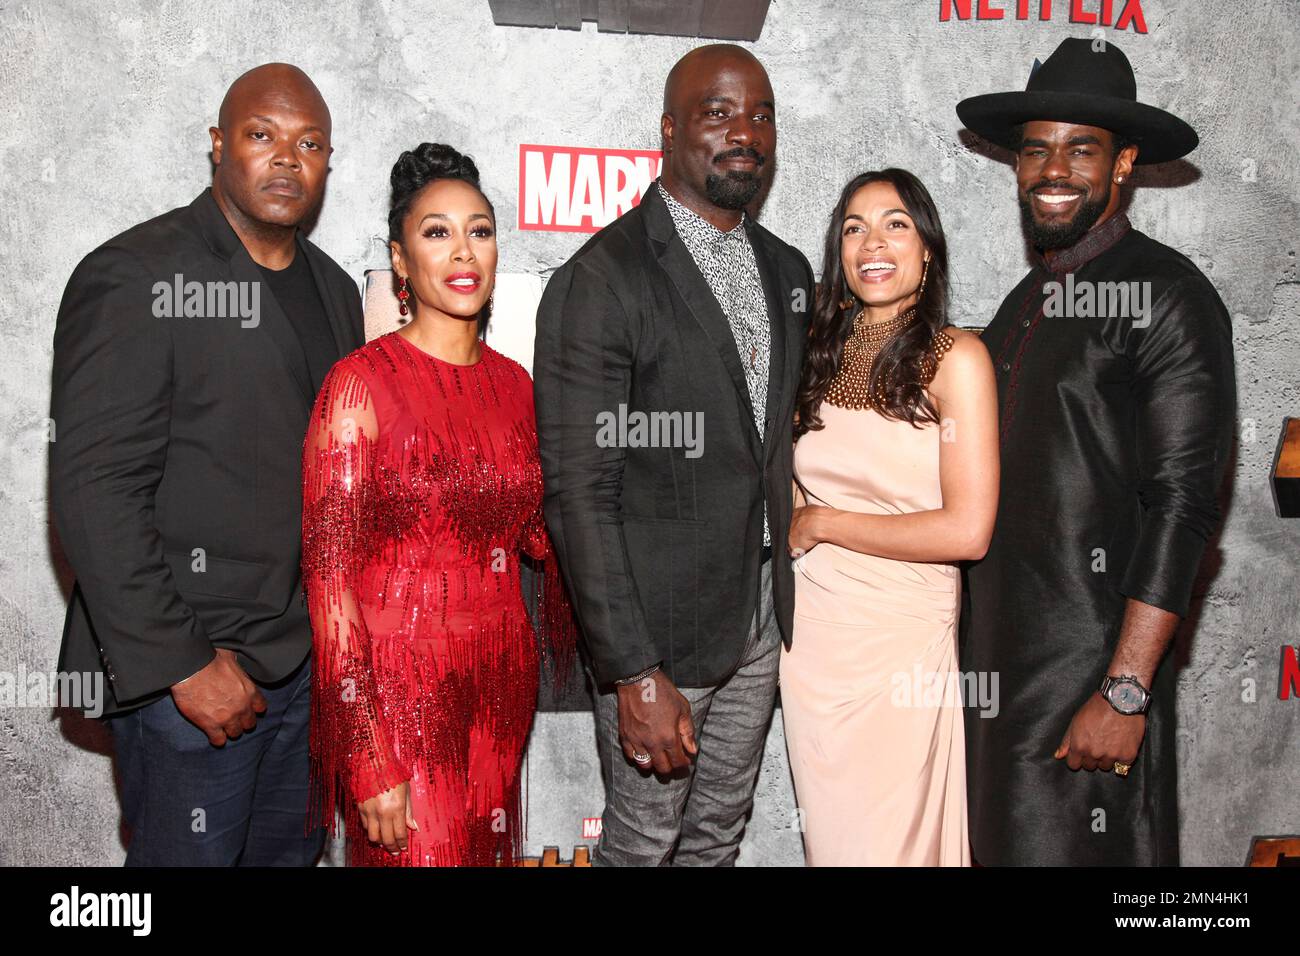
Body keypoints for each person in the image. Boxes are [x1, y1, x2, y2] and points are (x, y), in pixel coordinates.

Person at [50, 63, 363, 865]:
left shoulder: (334, 291)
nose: (287, 158)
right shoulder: (136, 274)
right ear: (219, 145)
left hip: (304, 670)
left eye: (310, 143)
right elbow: (94, 492)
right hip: (190, 678)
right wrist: (183, 666)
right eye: (263, 136)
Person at [956, 38, 1236, 865]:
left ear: (1123, 165)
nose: (1053, 169)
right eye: (1035, 148)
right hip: (995, 683)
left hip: (1089, 683)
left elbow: (1184, 506)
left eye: (1081, 149)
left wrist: (1124, 689)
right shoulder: (1023, 301)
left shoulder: (1170, 295)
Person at [533, 44, 814, 866]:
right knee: (645, 844)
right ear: (667, 129)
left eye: (760, 114)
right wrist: (633, 671)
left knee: (717, 840)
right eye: (718, 112)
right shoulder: (603, 278)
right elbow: (580, 493)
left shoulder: (789, 270)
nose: (744, 132)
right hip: (657, 636)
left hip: (760, 616)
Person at [302, 142, 574, 867]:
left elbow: (541, 536)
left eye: (480, 230)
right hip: (399, 700)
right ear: (400, 259)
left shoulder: (518, 387)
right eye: (436, 231)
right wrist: (364, 755)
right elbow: (329, 583)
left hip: (497, 692)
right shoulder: (359, 385)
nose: (463, 251)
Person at [783, 169, 997, 866]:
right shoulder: (817, 352)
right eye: (854, 228)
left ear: (928, 248)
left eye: (895, 223)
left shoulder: (956, 358)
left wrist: (823, 524)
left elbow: (967, 531)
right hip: (815, 646)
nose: (872, 242)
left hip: (902, 645)